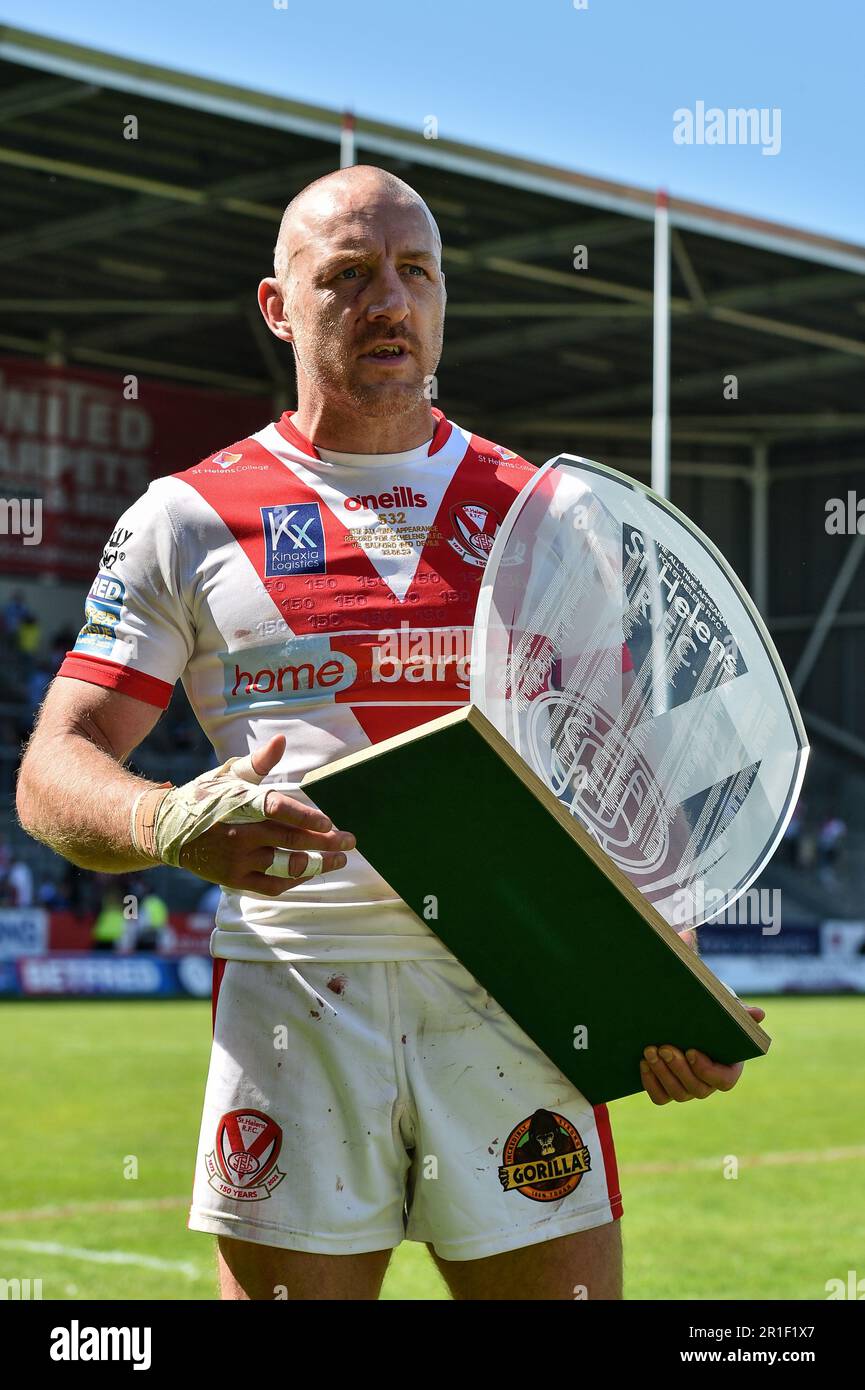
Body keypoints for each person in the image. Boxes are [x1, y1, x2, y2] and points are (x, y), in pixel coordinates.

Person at [15, 165, 764, 1302]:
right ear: (279, 306)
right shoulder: (186, 516)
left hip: (517, 989)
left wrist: (668, 981)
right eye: (349, 275)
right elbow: (52, 766)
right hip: (296, 994)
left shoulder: (545, 511)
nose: (390, 304)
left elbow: (623, 778)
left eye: (416, 273)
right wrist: (165, 818)